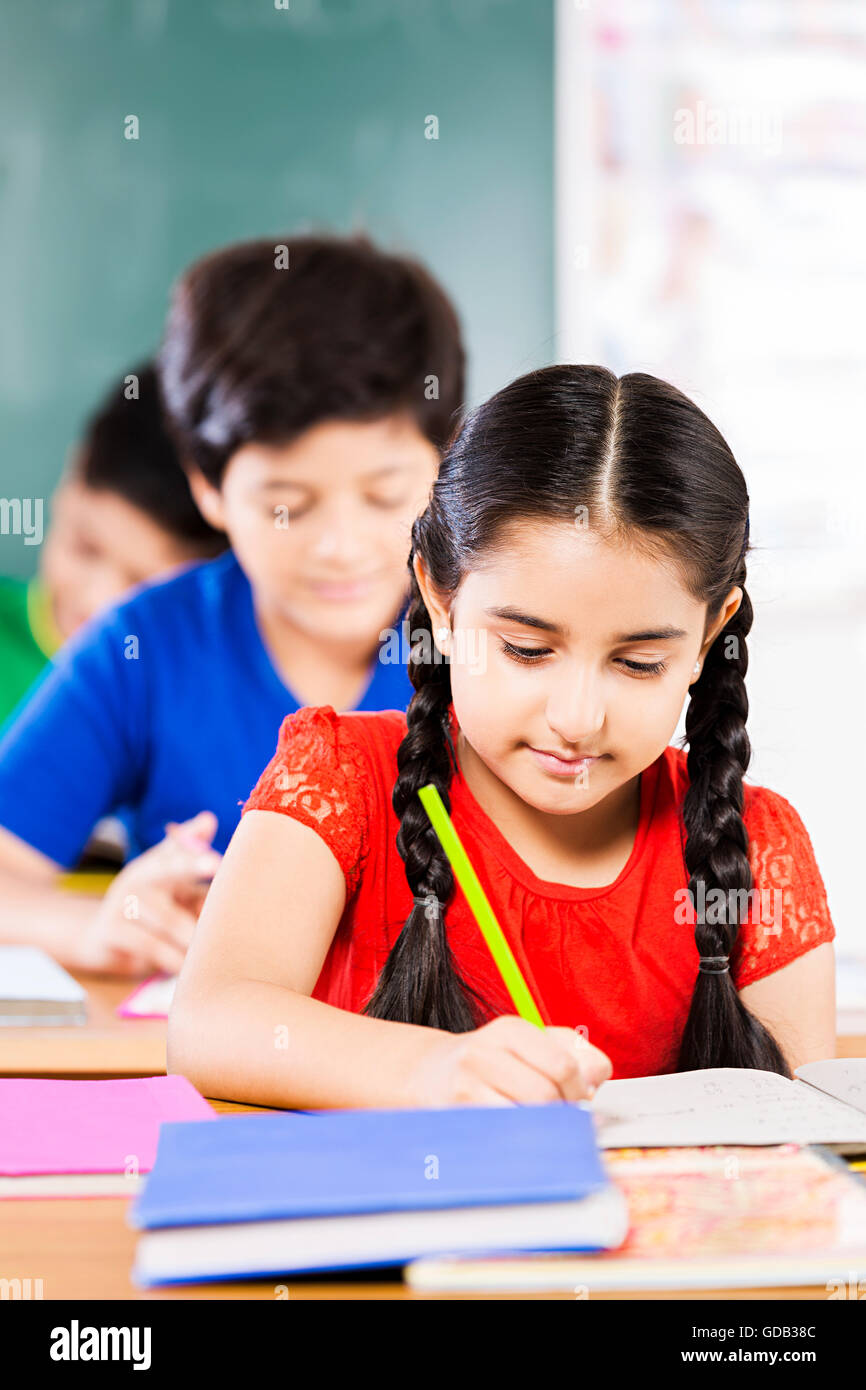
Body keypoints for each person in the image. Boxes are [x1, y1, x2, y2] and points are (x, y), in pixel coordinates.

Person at [167, 365, 835, 1109]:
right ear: (440, 601)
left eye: (639, 663)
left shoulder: (759, 847)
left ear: (710, 636)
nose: (578, 717)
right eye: (526, 650)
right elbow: (209, 1020)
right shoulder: (342, 778)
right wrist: (430, 1070)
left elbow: (799, 1138)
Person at [0, 234, 465, 977]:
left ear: (447, 461)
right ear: (208, 484)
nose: (342, 546)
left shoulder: (500, 638)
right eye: (288, 503)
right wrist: (105, 921)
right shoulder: (146, 648)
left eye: (384, 495)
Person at [0, 362, 225, 728]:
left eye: (146, 587)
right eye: (86, 547)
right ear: (74, 469)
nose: (100, 602)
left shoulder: (205, 706)